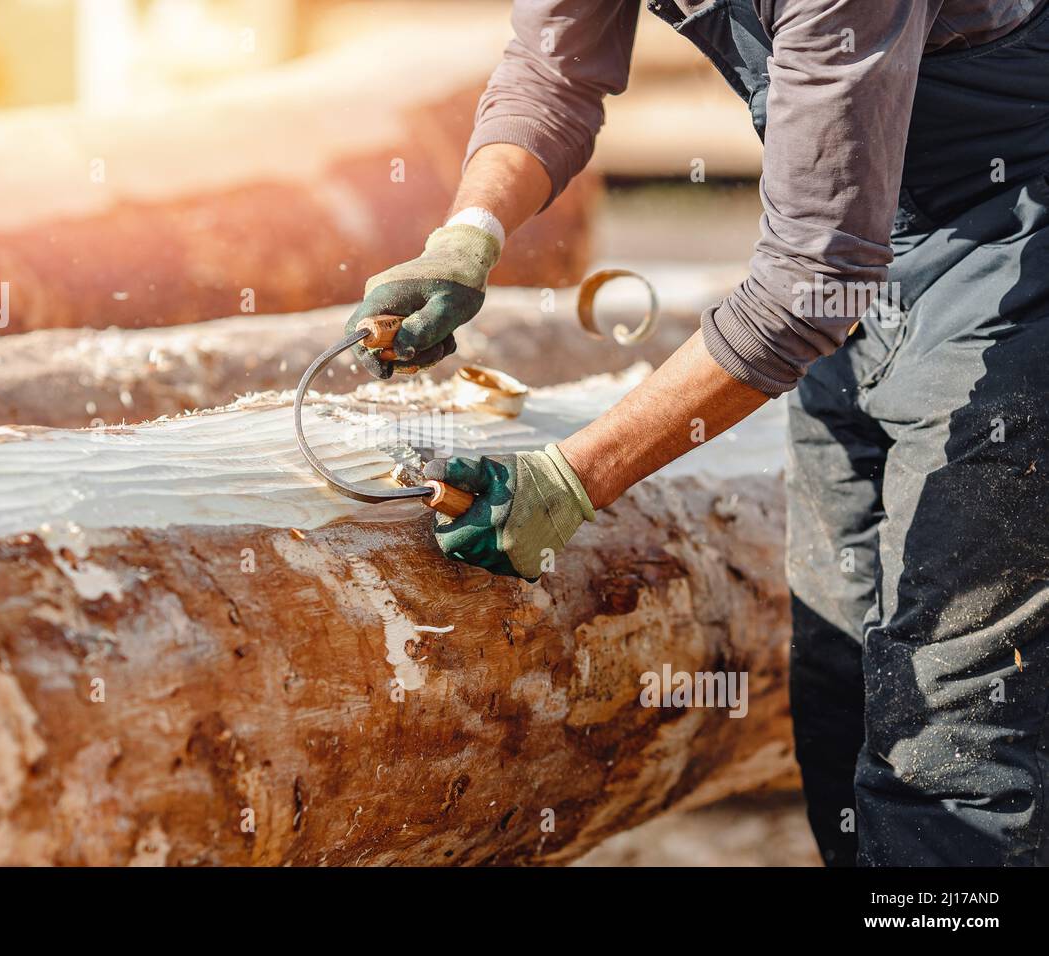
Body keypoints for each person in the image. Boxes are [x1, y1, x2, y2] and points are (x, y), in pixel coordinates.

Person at [345, 0, 1049, 866]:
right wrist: (469, 235)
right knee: (841, 679)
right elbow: (552, 72)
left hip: (1010, 249)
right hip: (859, 244)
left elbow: (807, 283)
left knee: (950, 721)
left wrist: (571, 481)